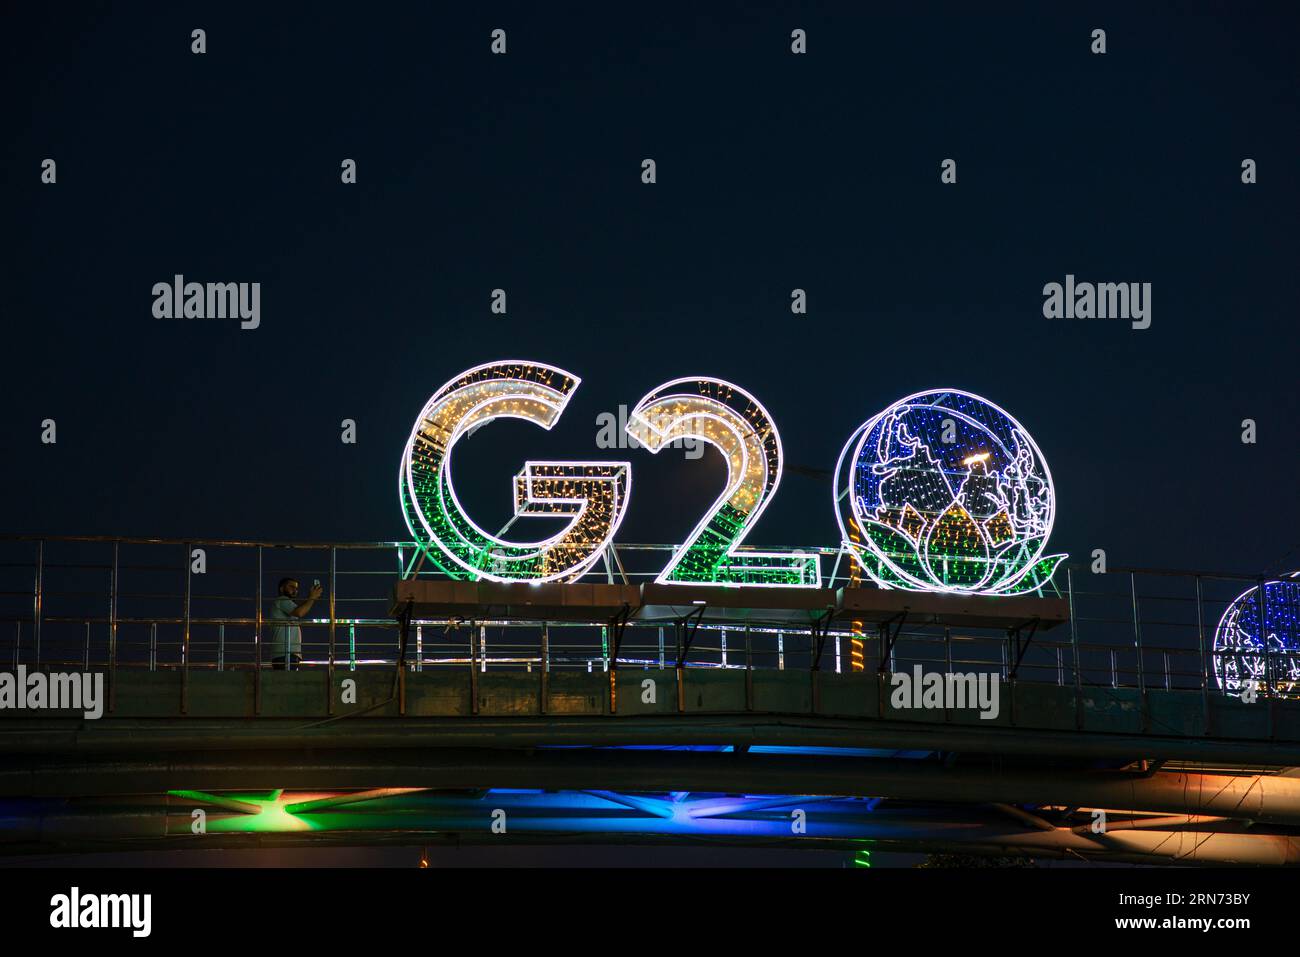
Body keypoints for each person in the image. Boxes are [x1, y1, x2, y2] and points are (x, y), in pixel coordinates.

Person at [266, 576, 322, 670]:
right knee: (286, 678)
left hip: (286, 653)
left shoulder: (286, 604)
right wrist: (312, 597)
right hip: (284, 653)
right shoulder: (282, 600)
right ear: (282, 589)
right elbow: (300, 612)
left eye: (296, 588)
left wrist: (311, 598)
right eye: (291, 587)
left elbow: (299, 610)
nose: (295, 590)